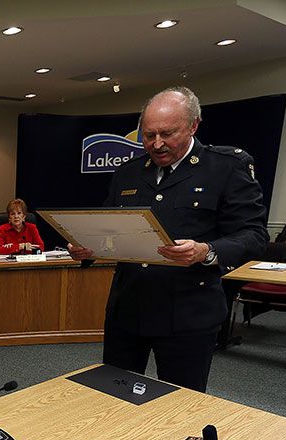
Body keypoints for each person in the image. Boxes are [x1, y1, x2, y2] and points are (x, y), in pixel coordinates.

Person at [69, 86, 267, 392]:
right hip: (128, 309)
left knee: (179, 404)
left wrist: (208, 251)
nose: (157, 144)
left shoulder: (226, 167)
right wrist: (88, 248)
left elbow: (255, 236)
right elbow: (108, 228)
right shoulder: (128, 173)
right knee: (113, 396)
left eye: (167, 134)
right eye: (148, 135)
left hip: (187, 313)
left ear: (193, 126)